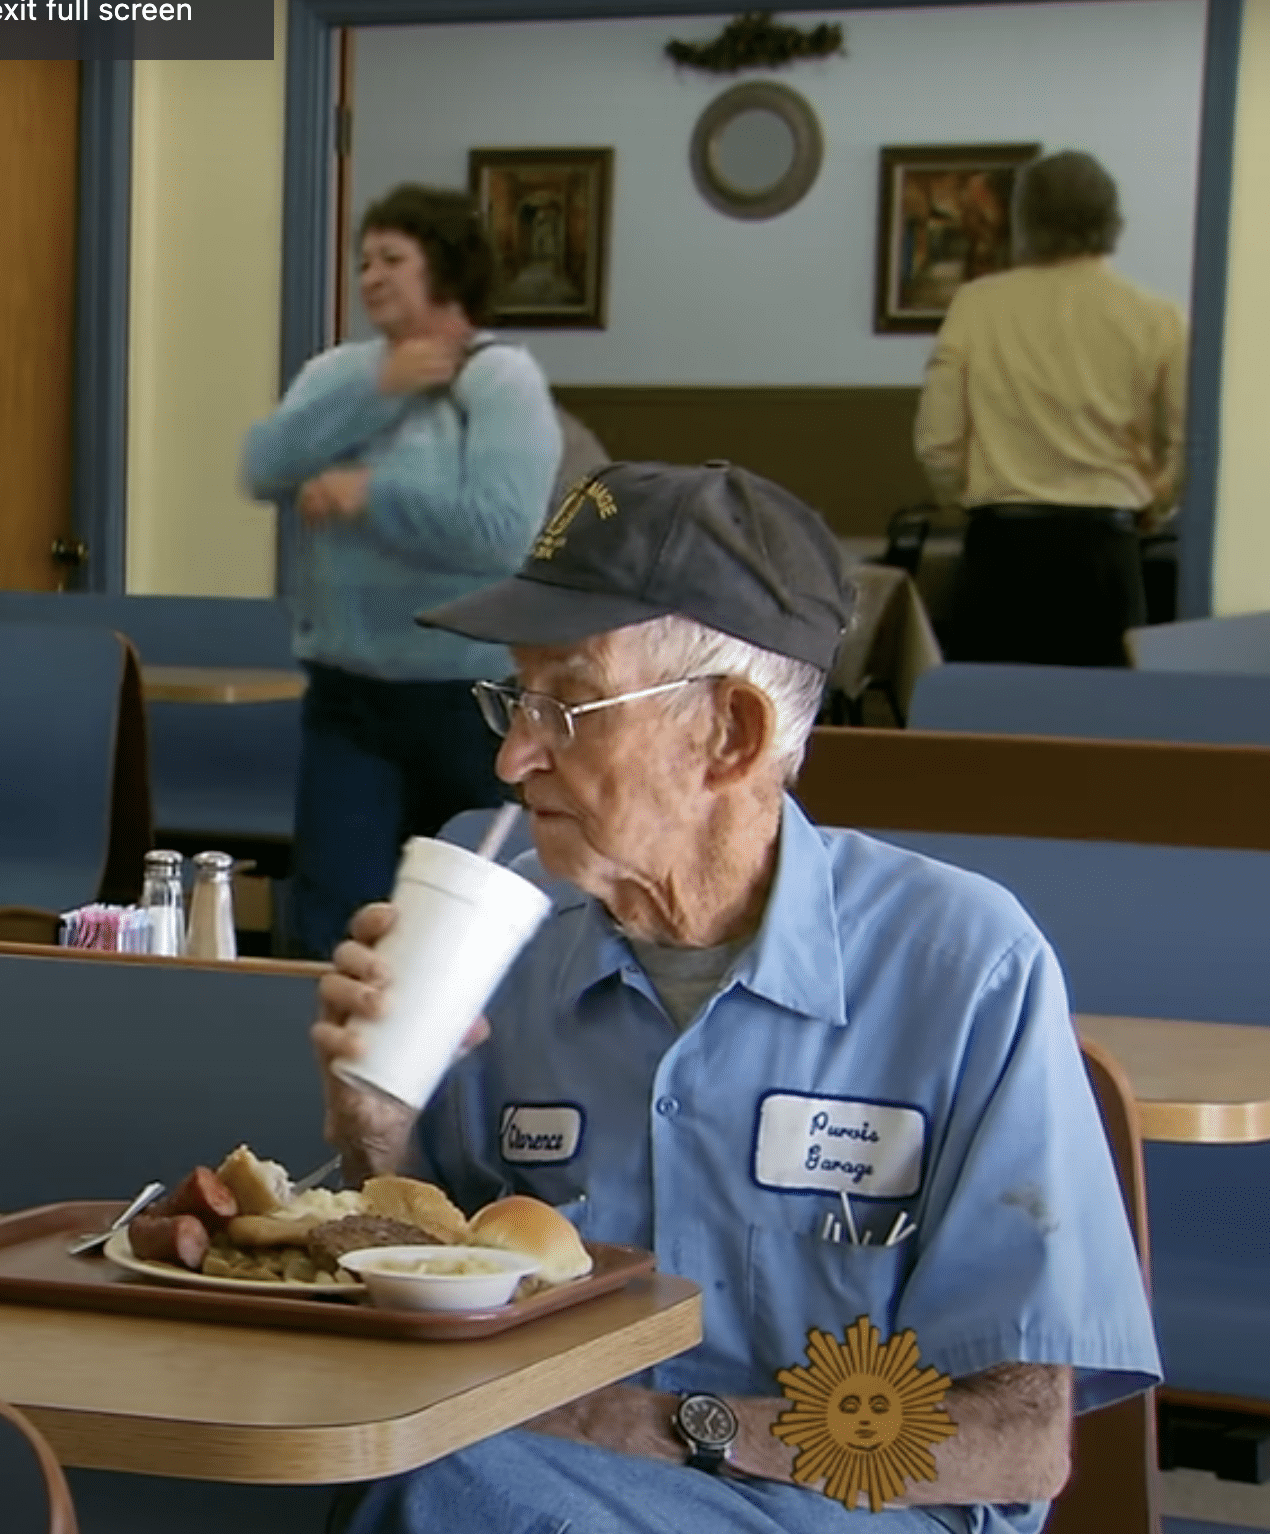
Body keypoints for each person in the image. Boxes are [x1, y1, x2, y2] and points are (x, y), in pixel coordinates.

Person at [315, 461, 1159, 1534]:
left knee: (443, 1493)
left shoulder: (963, 964)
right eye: (514, 697)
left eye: (567, 704)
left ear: (732, 734)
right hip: (539, 1487)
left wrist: (666, 1429)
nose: (512, 753)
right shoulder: (502, 941)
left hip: (852, 1510)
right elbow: (419, 1324)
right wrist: (373, 1131)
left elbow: (1016, 1438)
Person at [242, 184, 562, 961]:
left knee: (456, 924)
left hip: (466, 702)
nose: (371, 275)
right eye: (364, 260)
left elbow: (499, 533)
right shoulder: (336, 375)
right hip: (348, 697)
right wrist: (375, 388)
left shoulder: (499, 381)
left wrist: (367, 494)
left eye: (393, 258)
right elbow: (265, 465)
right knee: (332, 917)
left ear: (444, 267)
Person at [916, 150, 1187, 667]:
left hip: (1002, 550)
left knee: (990, 726)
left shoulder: (977, 306)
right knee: (1103, 730)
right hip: (1106, 551)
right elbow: (1183, 444)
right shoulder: (1158, 318)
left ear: (1023, 220)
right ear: (1113, 221)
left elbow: (938, 443)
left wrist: (963, 498)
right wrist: (1154, 502)